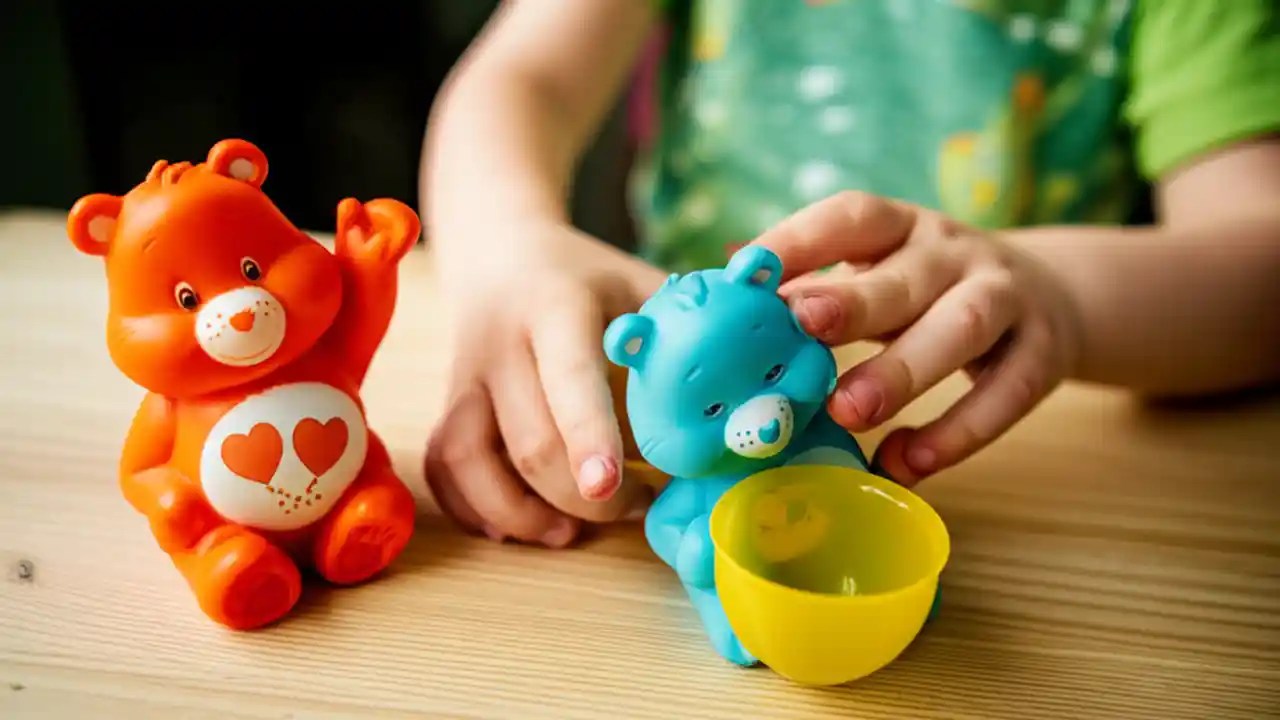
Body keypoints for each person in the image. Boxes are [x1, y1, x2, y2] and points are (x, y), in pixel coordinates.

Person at [420, 0, 1280, 548]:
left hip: (1039, 473)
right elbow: (521, 79)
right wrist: (505, 242)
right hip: (659, 445)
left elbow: (1261, 262)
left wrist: (1058, 298)